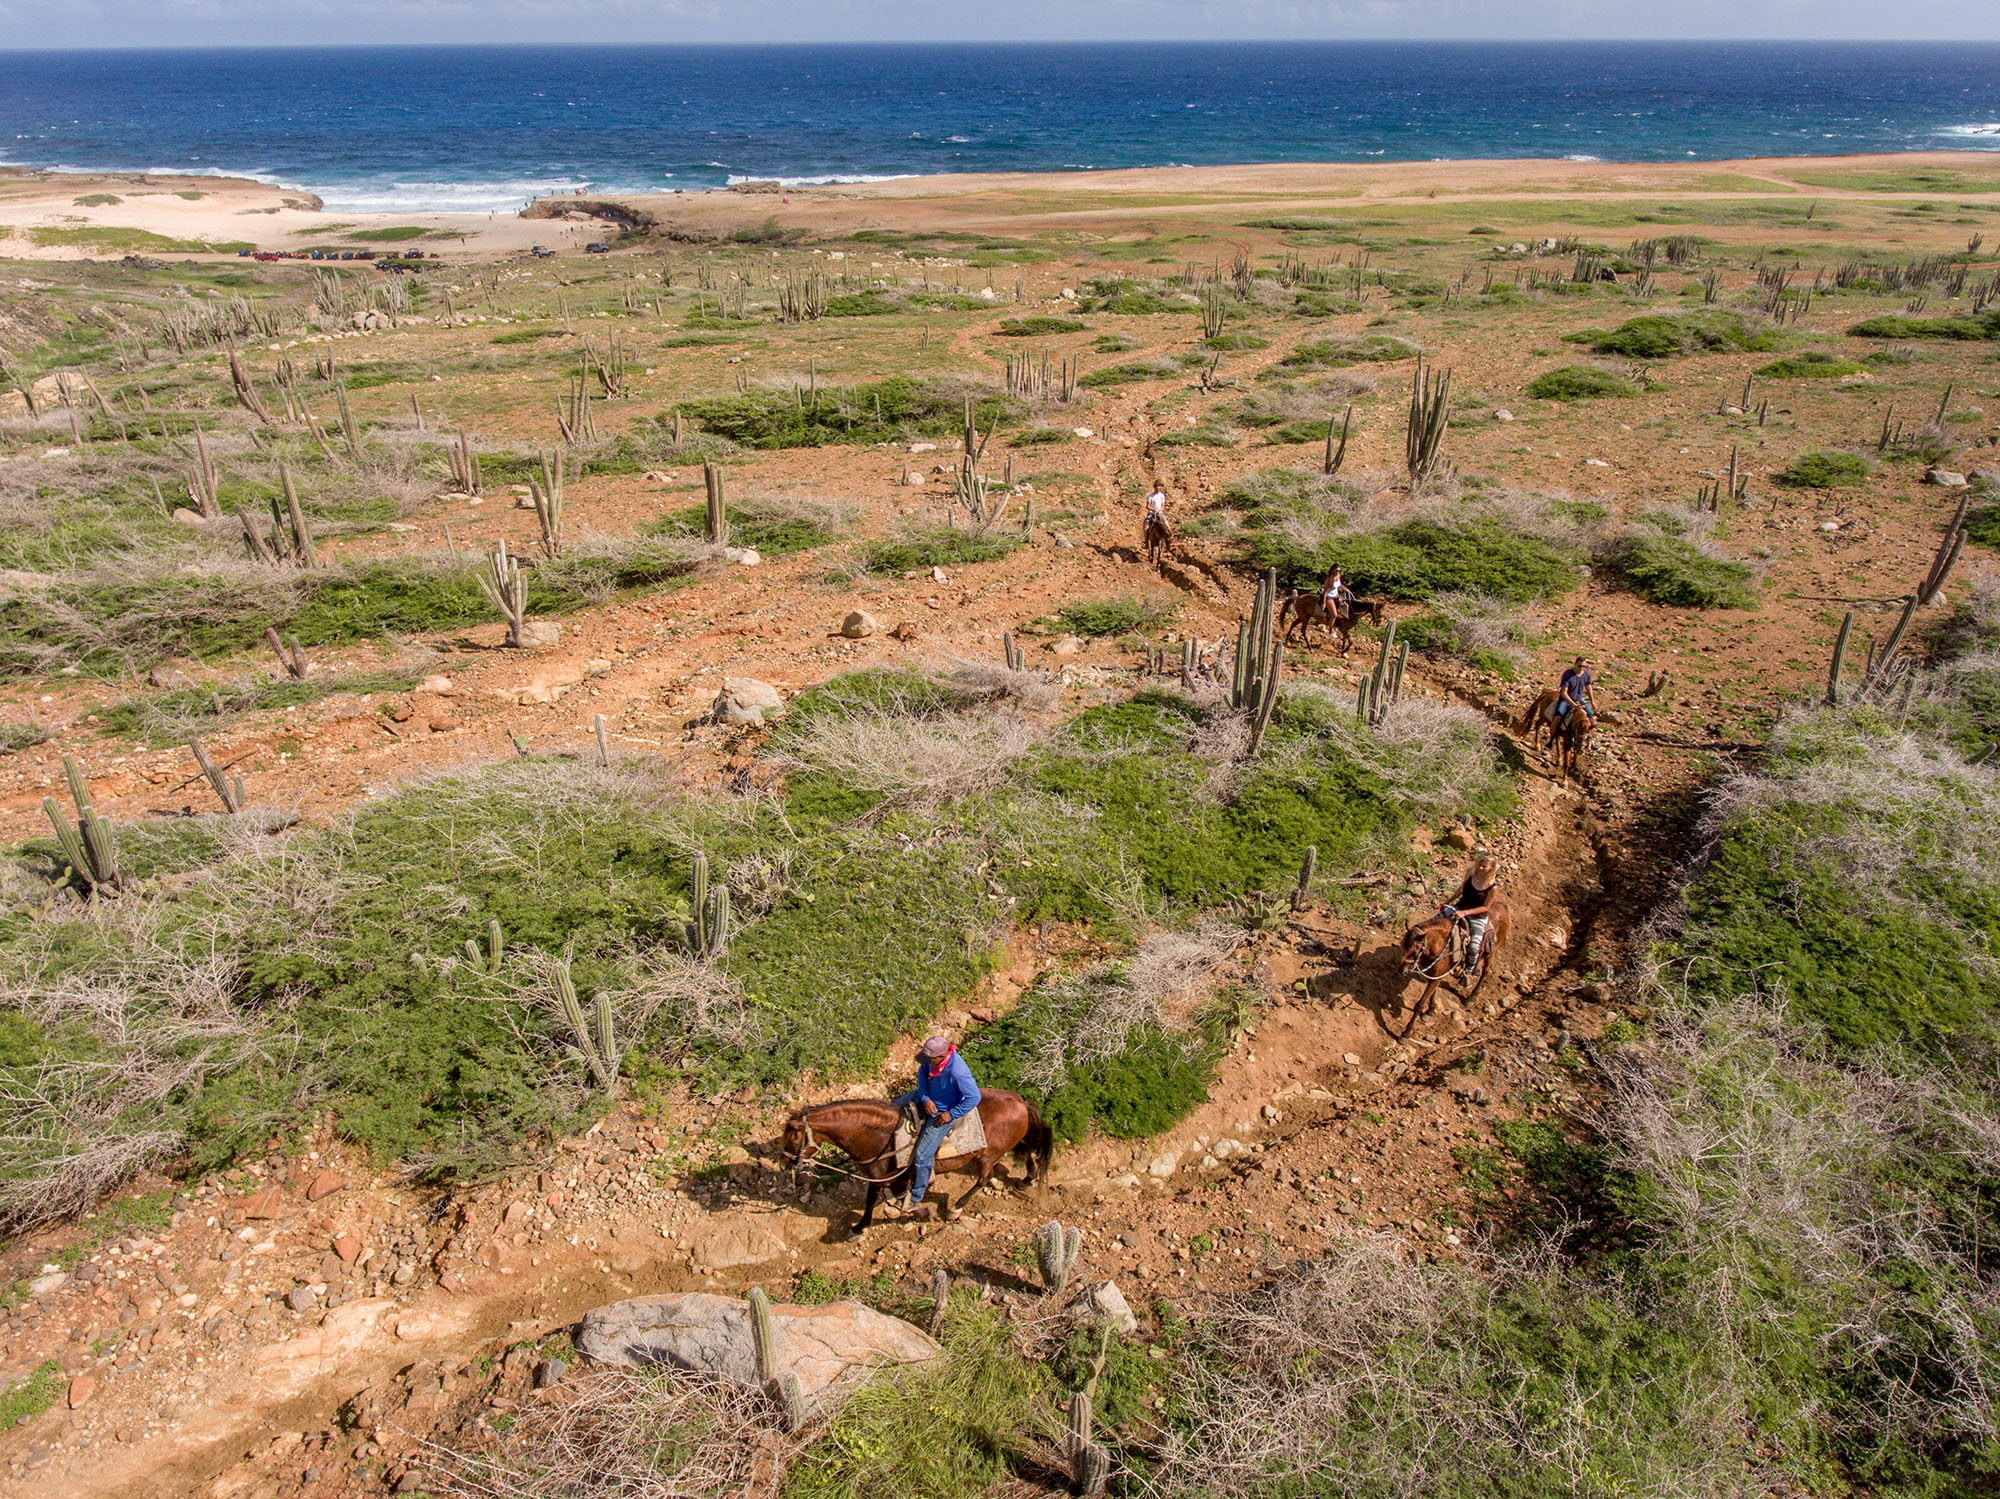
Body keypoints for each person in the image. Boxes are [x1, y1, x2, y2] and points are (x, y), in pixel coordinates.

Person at [893, 1035, 981, 1211]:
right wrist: (926, 1098)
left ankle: (916, 1196)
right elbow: (922, 1074)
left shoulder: (958, 1072)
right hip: (926, 1097)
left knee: (922, 1155)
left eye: (930, 1059)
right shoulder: (931, 1060)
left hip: (941, 1112)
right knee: (892, 1109)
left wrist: (950, 1114)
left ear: (941, 1056)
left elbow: (974, 1097)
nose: (927, 1061)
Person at [1444, 849, 1501, 969]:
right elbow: (1462, 889)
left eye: (1484, 866)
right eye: (1480, 864)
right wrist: (1448, 901)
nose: (1480, 868)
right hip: (1459, 907)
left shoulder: (1492, 887)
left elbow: (1485, 907)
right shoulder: (1470, 874)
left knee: (1474, 947)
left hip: (1477, 917)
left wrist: (1465, 913)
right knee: (1433, 922)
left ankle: (1468, 970)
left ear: (1491, 868)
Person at [1556, 656, 1595, 722]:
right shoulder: (1568, 674)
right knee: (1558, 717)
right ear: (1575, 664)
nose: (1581, 668)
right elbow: (1563, 693)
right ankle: (1553, 729)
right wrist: (1574, 704)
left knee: (1592, 718)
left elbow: (1588, 687)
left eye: (1584, 666)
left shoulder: (1586, 674)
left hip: (1580, 699)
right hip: (1566, 700)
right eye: (1579, 666)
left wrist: (1592, 701)